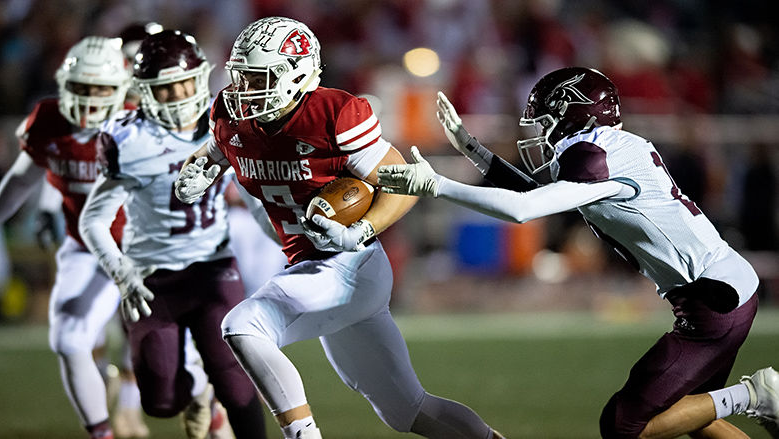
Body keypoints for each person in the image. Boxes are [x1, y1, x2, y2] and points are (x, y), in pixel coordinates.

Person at [377, 67, 779, 438]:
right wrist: (473, 150)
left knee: (623, 426)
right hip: (722, 286)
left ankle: (755, 395)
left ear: (575, 113)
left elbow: (523, 210)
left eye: (547, 121)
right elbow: (538, 196)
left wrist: (435, 185)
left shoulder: (594, 154)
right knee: (693, 415)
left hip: (712, 300)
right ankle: (755, 399)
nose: (541, 133)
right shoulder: (609, 147)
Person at [174, 16, 504, 439]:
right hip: (311, 268)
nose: (245, 90)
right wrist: (197, 173)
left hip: (350, 263)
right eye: (242, 77)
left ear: (296, 75)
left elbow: (402, 186)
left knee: (244, 325)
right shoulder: (232, 114)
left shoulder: (333, 113)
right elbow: (211, 154)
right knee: (407, 409)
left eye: (259, 78)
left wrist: (360, 229)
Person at [78, 29, 266, 439]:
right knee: (160, 402)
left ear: (202, 77)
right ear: (145, 91)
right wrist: (122, 274)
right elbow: (93, 219)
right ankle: (198, 390)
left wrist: (287, 239)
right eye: (166, 88)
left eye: (186, 81)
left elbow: (253, 195)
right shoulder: (129, 139)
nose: (180, 95)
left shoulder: (226, 121)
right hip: (153, 278)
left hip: (213, 268)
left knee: (236, 382)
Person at [0, 36, 133, 439]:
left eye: (101, 89)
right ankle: (102, 432)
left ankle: (209, 408)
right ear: (64, 84)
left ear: (121, 89)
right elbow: (20, 181)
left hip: (147, 250)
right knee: (69, 337)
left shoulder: (140, 124)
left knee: (171, 377)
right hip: (87, 248)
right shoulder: (49, 119)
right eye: (82, 87)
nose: (91, 99)